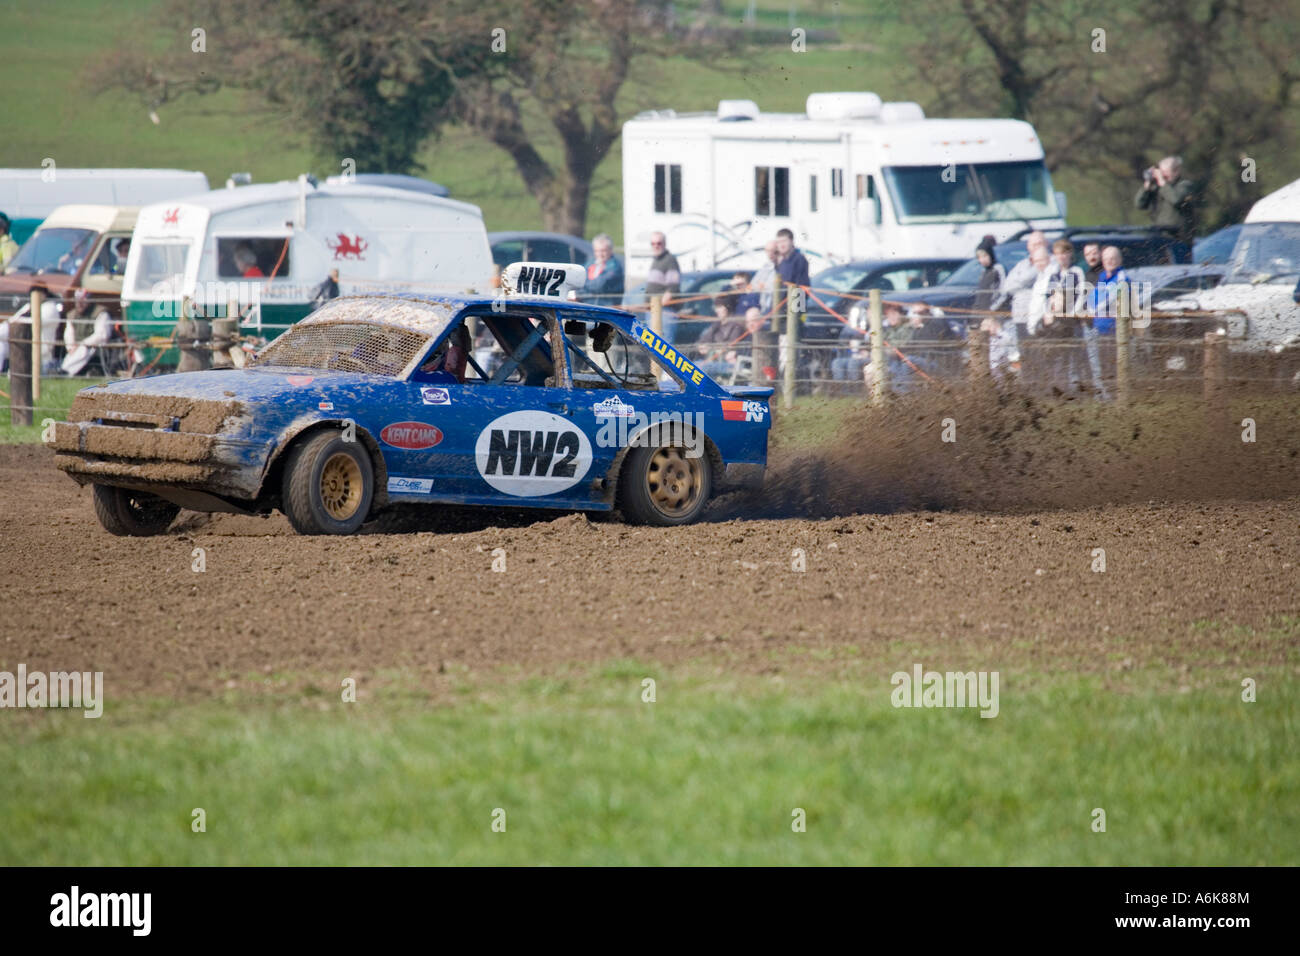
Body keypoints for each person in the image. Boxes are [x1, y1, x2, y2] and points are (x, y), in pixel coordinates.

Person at [988, 230, 1049, 382]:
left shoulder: (1049, 262)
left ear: (1046, 244)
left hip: (1039, 318)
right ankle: (1025, 386)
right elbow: (1008, 287)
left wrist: (1022, 281)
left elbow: (1034, 278)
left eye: (1040, 243)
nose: (1036, 247)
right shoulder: (1022, 264)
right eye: (1034, 244)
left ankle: (1042, 388)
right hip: (1020, 317)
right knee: (1022, 354)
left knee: (1040, 354)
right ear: (1028, 247)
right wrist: (1025, 283)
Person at [1029, 239, 1088, 392]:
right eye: (1057, 254)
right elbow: (1049, 298)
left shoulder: (1076, 272)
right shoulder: (1054, 275)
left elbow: (1081, 294)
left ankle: (1075, 390)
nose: (1061, 257)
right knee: (1058, 356)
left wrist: (1074, 312)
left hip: (1071, 321)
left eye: (1063, 253)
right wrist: (1048, 314)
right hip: (1057, 322)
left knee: (1074, 357)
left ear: (1069, 254)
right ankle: (1058, 389)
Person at [1135, 155, 1199, 244]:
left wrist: (1162, 182)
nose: (1162, 175)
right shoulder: (1158, 186)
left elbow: (1176, 199)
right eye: (1161, 172)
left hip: (1179, 240)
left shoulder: (1185, 186)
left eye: (1165, 172)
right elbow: (1139, 204)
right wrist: (1147, 186)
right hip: (1160, 237)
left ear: (1176, 171)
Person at [694, 292, 748, 381]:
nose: (716, 310)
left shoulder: (736, 326)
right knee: (693, 366)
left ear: (728, 307)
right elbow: (702, 340)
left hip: (729, 364)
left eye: (719, 307)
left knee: (702, 367)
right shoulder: (716, 325)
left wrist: (710, 348)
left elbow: (730, 348)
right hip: (714, 363)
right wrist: (701, 346)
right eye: (716, 307)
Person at [644, 231, 681, 340]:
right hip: (653, 312)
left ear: (664, 243)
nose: (656, 246)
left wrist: (658, 307)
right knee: (652, 347)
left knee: (663, 347)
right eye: (653, 243)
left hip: (664, 312)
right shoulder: (656, 260)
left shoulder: (669, 260)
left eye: (659, 243)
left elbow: (673, 288)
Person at [583, 233, 623, 304]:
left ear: (610, 250)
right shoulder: (590, 263)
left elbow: (599, 285)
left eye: (603, 251)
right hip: (589, 306)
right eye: (597, 251)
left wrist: (584, 286)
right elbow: (579, 280)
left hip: (607, 308)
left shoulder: (615, 267)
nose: (600, 254)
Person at [973, 235, 1005, 314]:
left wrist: (992, 309)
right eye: (979, 257)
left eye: (985, 256)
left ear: (990, 254)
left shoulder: (998, 269)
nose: (982, 260)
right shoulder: (983, 272)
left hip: (992, 312)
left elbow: (1003, 293)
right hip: (980, 312)